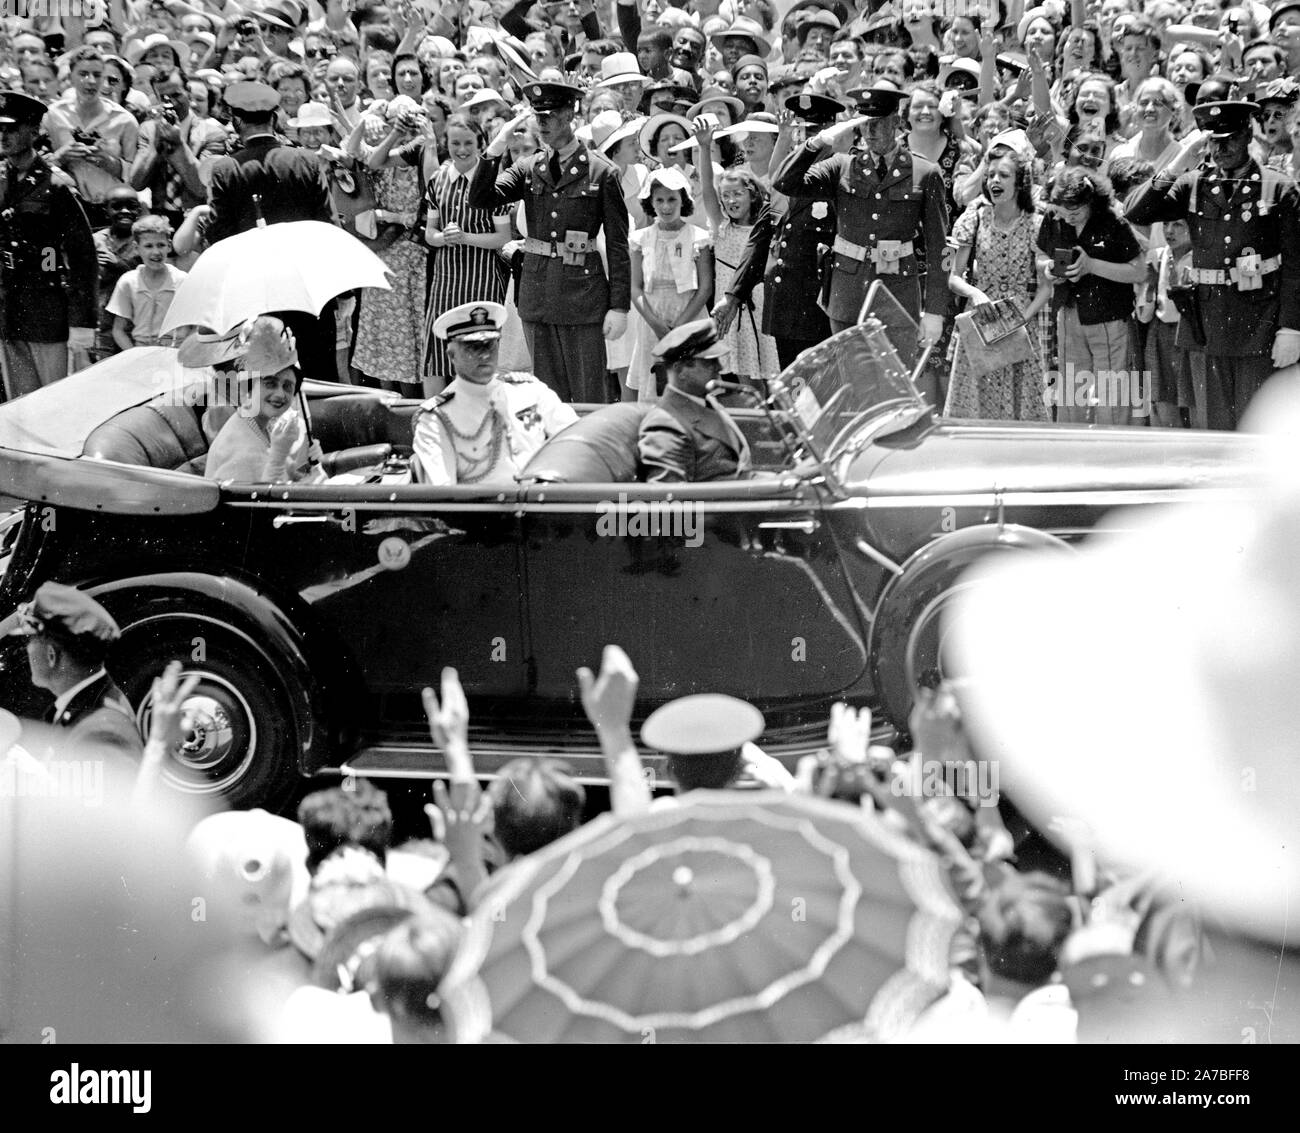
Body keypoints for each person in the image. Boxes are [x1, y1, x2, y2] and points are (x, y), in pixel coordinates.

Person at [1126, 87, 1300, 429]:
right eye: (1213, 140)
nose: (1221, 148)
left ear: (1249, 134)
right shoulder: (1194, 184)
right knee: (1214, 429)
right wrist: (1183, 156)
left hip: (1258, 323)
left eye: (1230, 138)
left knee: (1257, 428)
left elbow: (1296, 266)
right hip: (1207, 327)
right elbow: (1138, 210)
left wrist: (1291, 327)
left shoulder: (1276, 188)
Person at [468, 81, 630, 405]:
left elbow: (617, 245)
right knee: (548, 399)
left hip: (582, 298)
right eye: (538, 116)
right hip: (538, 294)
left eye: (551, 115)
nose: (542, 123)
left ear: (570, 114)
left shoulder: (600, 172)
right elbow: (481, 198)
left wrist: (619, 306)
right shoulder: (530, 168)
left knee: (588, 396)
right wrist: (495, 148)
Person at [772, 80, 950, 353]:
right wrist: (815, 143)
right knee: (852, 383)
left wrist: (935, 312)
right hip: (848, 296)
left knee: (895, 385)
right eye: (864, 122)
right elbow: (786, 183)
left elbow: (939, 247)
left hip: (897, 297)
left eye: (878, 121)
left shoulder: (924, 172)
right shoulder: (842, 166)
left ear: (897, 122)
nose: (870, 130)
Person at [205, 81, 335, 379]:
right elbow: (328, 227)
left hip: (252, 295)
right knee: (319, 378)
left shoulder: (225, 169)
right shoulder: (305, 161)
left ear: (236, 121)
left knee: (261, 381)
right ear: (275, 118)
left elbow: (218, 237)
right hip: (306, 291)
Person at [717, 92, 842, 370]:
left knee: (825, 387)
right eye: (801, 132)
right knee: (795, 390)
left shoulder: (841, 174)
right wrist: (733, 296)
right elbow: (761, 240)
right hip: (786, 305)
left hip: (823, 305)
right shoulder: (784, 178)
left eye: (816, 131)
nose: (807, 139)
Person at [411, 301, 578, 486]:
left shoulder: (530, 390)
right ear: (451, 355)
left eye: (489, 345)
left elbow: (576, 438)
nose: (484, 355)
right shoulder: (436, 419)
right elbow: (443, 493)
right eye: (473, 347)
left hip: (545, 503)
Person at [0, 92, 97, 400]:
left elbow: (82, 255)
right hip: (8, 309)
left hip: (47, 307)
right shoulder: (2, 181)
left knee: (55, 399)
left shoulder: (56, 185)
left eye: (12, 128)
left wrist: (82, 323)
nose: (4, 136)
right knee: (20, 404)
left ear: (33, 131)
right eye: (0, 129)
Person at [945, 146, 1052, 421]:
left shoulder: (1035, 224)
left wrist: (1019, 322)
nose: (994, 181)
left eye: (1003, 175)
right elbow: (954, 277)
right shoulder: (976, 218)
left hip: (1020, 327)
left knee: (1021, 410)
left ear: (1019, 181)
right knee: (974, 408)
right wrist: (976, 294)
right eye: (991, 175)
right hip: (981, 323)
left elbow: (1045, 288)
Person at [1040, 166, 1145, 425]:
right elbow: (1040, 256)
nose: (1067, 219)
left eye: (1074, 213)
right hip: (1069, 313)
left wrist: (1091, 266)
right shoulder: (1054, 218)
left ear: (1091, 201)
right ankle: (1071, 453)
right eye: (1062, 214)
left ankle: (1111, 454)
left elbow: (1140, 271)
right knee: (1071, 392)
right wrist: (1049, 270)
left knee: (1113, 393)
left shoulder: (1113, 222)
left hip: (1108, 317)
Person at [0, 581, 142, 766]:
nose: (27, 649)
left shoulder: (99, 733)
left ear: (51, 655)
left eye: (30, 639)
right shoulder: (90, 706)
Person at [627, 166, 713, 403]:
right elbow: (635, 287)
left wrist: (680, 325)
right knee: (656, 382)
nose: (666, 206)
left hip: (689, 316)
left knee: (690, 383)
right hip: (653, 316)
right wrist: (657, 325)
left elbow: (705, 288)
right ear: (651, 203)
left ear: (683, 200)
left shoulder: (698, 237)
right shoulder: (640, 239)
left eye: (672, 199)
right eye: (660, 200)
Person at [204, 316, 326, 483]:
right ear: (249, 388)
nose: (280, 394)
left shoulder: (259, 424)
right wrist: (278, 457)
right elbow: (260, 506)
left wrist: (312, 465)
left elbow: (291, 478)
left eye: (287, 386)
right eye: (270, 384)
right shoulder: (240, 449)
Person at [637, 317, 752, 483]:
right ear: (681, 369)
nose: (719, 367)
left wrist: (788, 478)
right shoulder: (666, 424)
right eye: (710, 362)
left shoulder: (706, 402)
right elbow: (667, 499)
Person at [41, 46, 139, 228]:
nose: (91, 81)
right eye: (83, 74)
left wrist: (113, 164)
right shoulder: (54, 115)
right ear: (71, 77)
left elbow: (137, 175)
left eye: (97, 74)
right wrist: (61, 157)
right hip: (69, 207)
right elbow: (40, 165)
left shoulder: (124, 120)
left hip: (111, 210)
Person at [129, 66, 228, 235]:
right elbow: (137, 182)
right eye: (164, 98)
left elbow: (202, 187)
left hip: (197, 223)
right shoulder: (148, 129)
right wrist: (155, 143)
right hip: (160, 222)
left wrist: (179, 144)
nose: (172, 103)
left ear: (188, 91)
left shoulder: (212, 134)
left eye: (176, 95)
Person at [107, 214, 187, 350]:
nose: (156, 252)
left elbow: (195, 327)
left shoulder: (182, 281)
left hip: (175, 351)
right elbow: (118, 330)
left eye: (161, 245)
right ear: (137, 248)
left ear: (169, 246)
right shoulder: (128, 282)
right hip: (141, 352)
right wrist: (134, 356)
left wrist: (182, 352)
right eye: (148, 246)